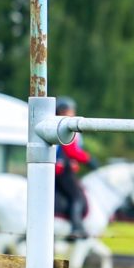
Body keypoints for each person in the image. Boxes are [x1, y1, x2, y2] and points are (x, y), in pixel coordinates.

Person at [54, 96, 96, 238]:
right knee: (77, 196)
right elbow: (71, 150)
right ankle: (76, 227)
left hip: (55, 168)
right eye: (70, 110)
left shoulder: (53, 123)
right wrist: (89, 160)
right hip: (62, 169)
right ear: (63, 111)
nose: (72, 113)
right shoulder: (65, 125)